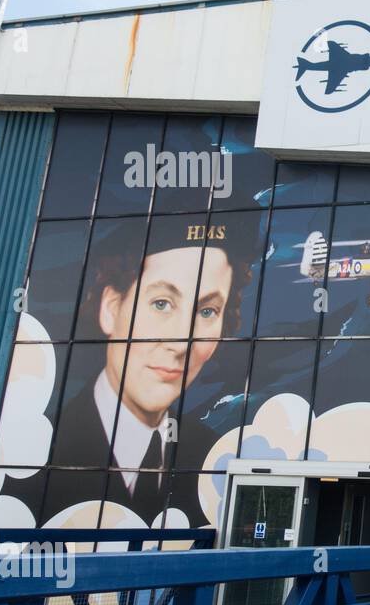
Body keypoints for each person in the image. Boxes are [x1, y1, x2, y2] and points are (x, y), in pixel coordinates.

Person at [44, 217, 251, 522]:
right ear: (111, 309)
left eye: (207, 311)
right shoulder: (38, 453)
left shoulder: (212, 457)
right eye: (161, 304)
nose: (181, 344)